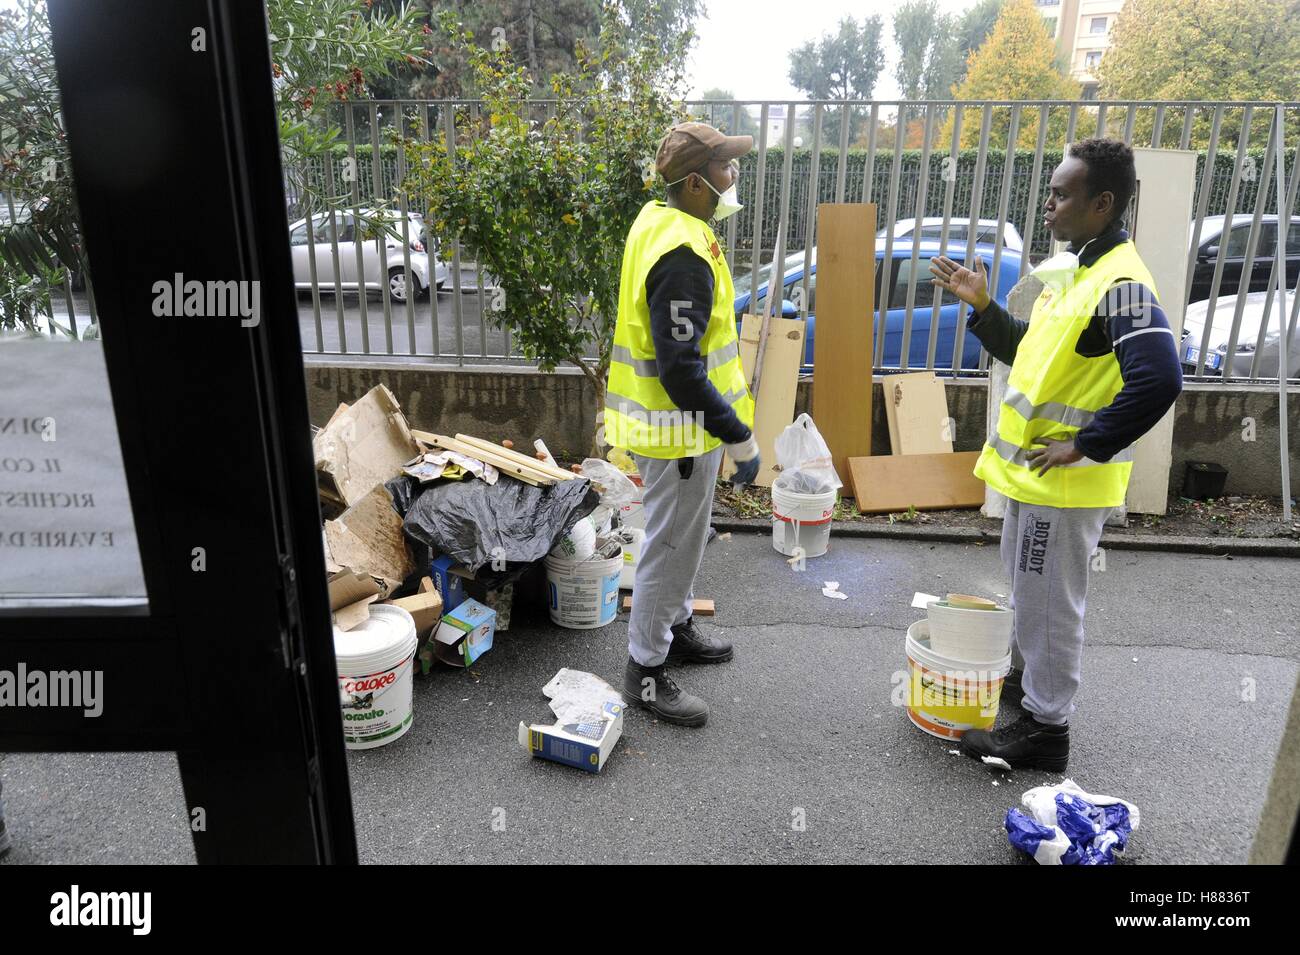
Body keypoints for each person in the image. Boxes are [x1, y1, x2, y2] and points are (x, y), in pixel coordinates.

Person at [929, 138, 1183, 770]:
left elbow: (1160, 377)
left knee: (1048, 605)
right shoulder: (1076, 272)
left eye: (1062, 192)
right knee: (1028, 591)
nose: (1049, 201)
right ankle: (1027, 688)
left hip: (1064, 486)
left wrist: (1087, 443)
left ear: (1102, 203)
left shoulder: (1120, 282)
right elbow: (1032, 357)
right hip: (1035, 480)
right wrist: (984, 308)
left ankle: (1047, 731)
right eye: (1050, 188)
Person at [604, 122, 760, 727]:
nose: (734, 175)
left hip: (683, 434)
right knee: (668, 550)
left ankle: (674, 626)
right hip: (678, 436)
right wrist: (738, 435)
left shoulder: (664, 221)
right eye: (725, 167)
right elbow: (682, 370)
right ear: (695, 183)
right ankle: (644, 672)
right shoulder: (683, 256)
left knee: (684, 541)